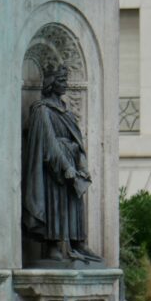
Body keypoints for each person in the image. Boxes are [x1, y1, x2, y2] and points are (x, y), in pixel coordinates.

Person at [22, 64, 101, 263]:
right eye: (61, 80)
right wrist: (66, 167)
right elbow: (48, 142)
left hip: (72, 163)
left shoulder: (67, 111)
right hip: (54, 169)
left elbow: (78, 140)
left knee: (75, 202)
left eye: (65, 80)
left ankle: (78, 243)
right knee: (55, 203)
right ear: (51, 83)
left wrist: (80, 166)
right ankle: (53, 246)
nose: (65, 84)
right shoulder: (42, 110)